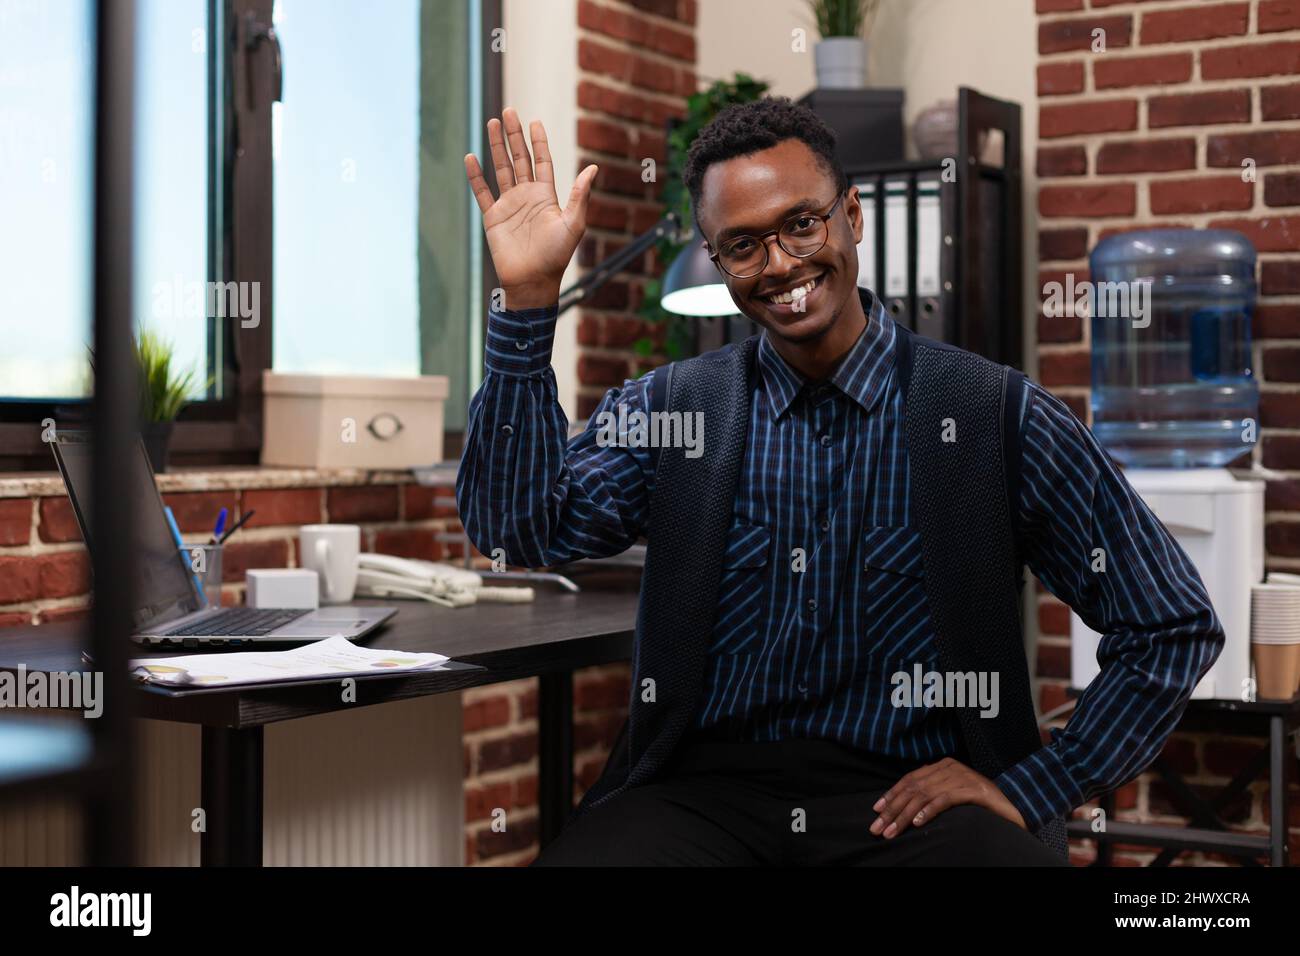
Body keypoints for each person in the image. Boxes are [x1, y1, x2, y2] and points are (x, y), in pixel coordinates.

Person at [457, 98, 1224, 866]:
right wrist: (526, 307)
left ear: (853, 215)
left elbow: (1168, 622)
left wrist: (1036, 787)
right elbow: (515, 530)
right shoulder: (673, 411)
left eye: (801, 224)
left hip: (917, 805)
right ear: (718, 264)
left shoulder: (991, 415)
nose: (782, 264)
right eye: (744, 246)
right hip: (702, 801)